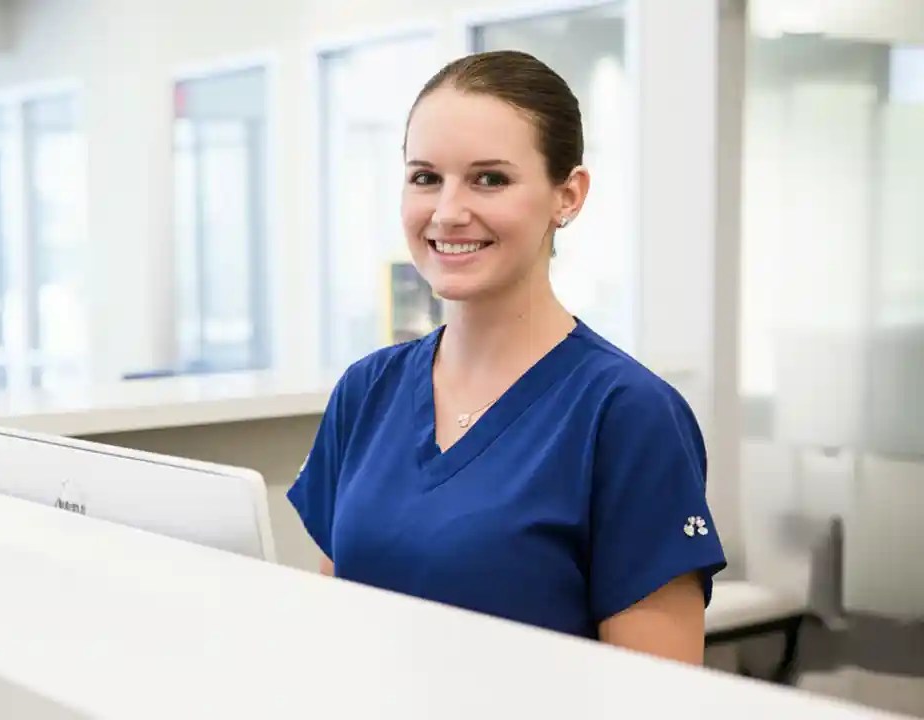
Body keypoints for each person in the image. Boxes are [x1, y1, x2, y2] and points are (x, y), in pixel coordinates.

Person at [287, 50, 726, 664]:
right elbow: (333, 632)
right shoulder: (366, 391)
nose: (447, 212)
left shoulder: (627, 415)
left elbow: (660, 696)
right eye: (425, 177)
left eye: (489, 179)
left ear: (567, 195)